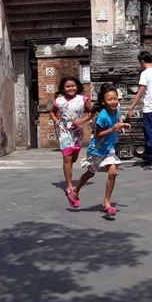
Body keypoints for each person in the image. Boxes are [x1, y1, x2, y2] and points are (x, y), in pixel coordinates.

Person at [71, 84, 130, 218]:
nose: (114, 102)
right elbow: (97, 135)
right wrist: (113, 128)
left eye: (115, 99)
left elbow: (119, 117)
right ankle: (75, 190)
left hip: (109, 149)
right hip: (97, 149)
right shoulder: (102, 116)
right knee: (90, 173)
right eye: (110, 100)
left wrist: (122, 126)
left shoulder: (116, 110)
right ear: (103, 101)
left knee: (113, 172)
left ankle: (106, 202)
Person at [50, 76, 93, 209]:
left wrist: (82, 121)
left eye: (72, 86)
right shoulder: (59, 101)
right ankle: (69, 185)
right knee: (67, 156)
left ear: (77, 86)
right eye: (67, 86)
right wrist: (56, 120)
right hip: (63, 131)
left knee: (73, 157)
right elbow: (52, 112)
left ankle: (70, 166)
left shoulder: (83, 100)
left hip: (77, 132)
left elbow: (92, 112)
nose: (70, 88)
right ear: (63, 88)